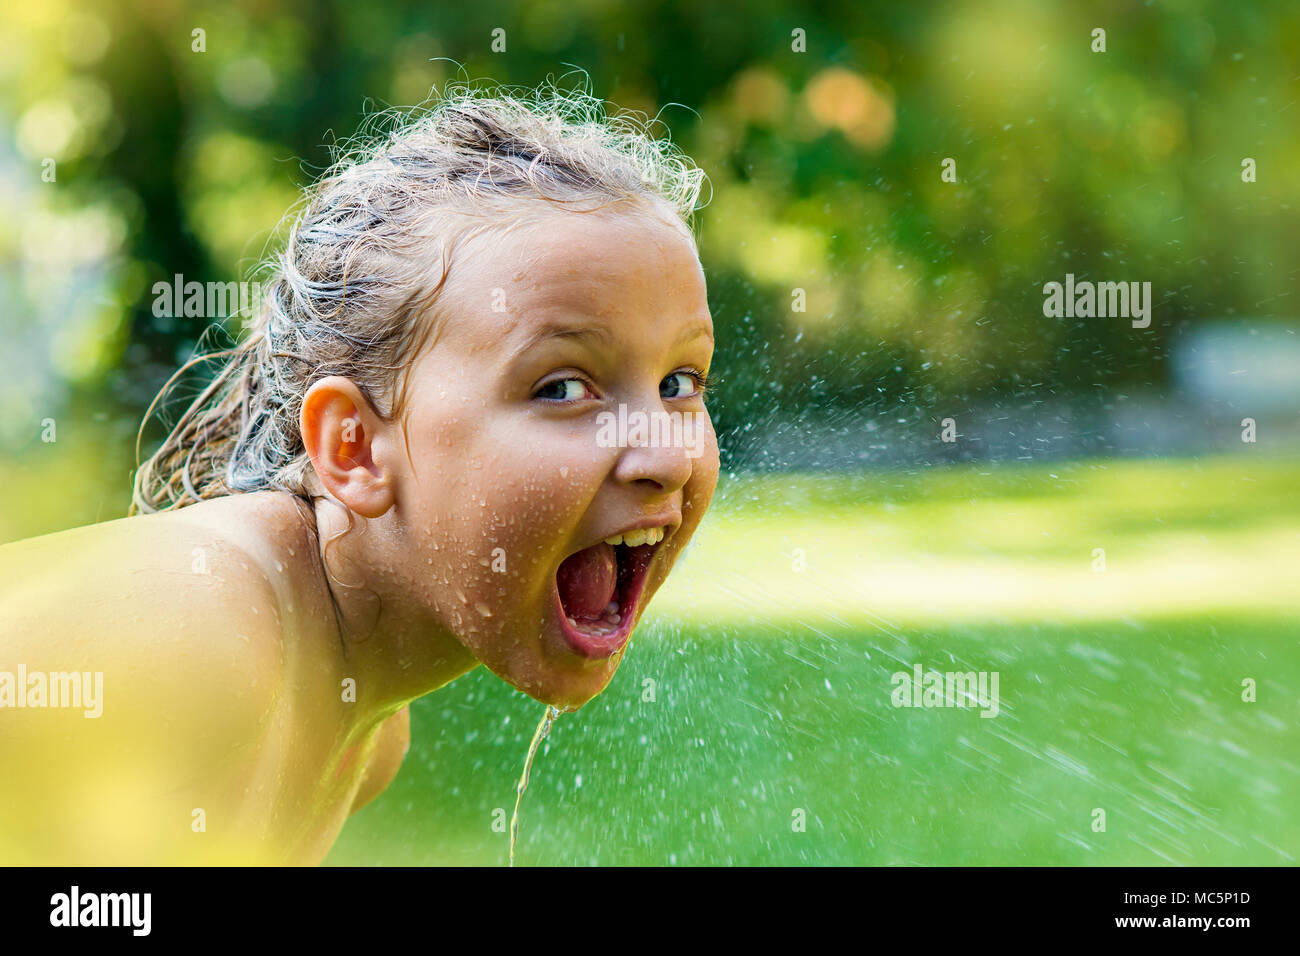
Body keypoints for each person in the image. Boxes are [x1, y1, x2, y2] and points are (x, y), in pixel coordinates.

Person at [0, 82, 720, 864]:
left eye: (679, 384)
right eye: (562, 388)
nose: (667, 454)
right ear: (355, 448)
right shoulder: (207, 636)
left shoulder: (362, 732)